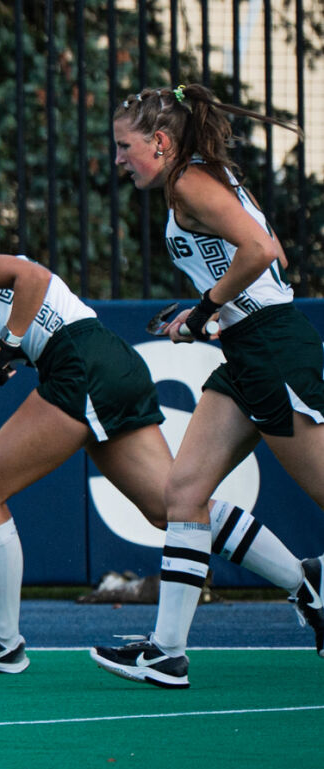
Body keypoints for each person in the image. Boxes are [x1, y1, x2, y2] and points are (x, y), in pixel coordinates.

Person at [0, 207, 314, 679]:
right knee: (172, 507)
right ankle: (306, 580)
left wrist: (11, 343)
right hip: (107, 366)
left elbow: (32, 274)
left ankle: (0, 641)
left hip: (80, 361)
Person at [93, 84, 324, 687]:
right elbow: (246, 266)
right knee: (184, 493)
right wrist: (210, 314)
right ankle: (166, 652)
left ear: (161, 143)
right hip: (250, 348)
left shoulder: (191, 183)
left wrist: (202, 313)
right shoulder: (194, 178)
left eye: (125, 147)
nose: (118, 159)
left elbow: (261, 249)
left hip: (273, 349)